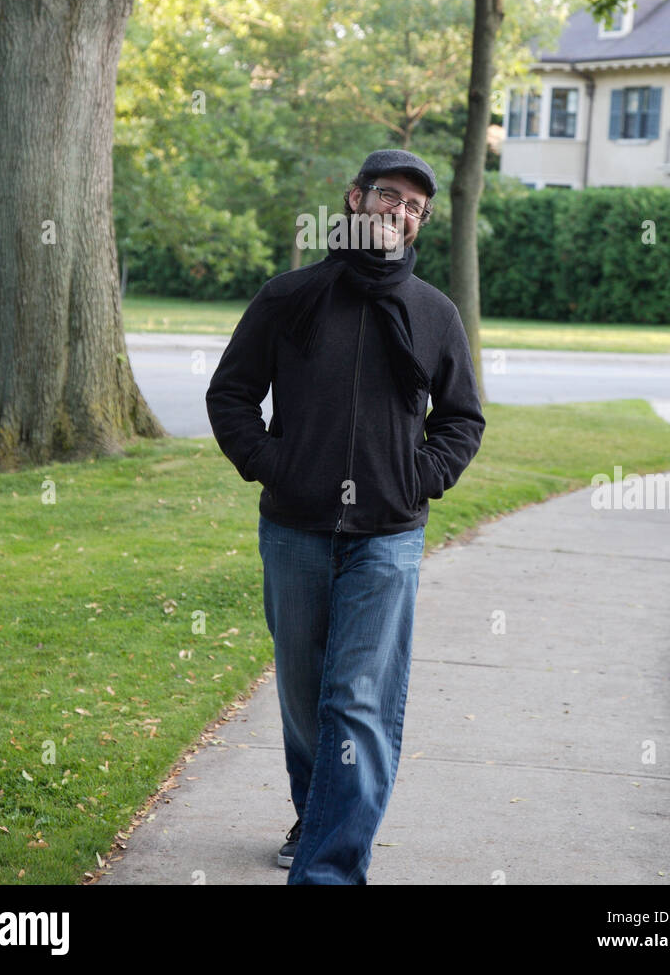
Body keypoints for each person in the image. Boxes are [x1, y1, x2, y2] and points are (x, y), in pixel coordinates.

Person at [205, 148, 485, 884]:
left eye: (414, 208)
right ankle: (317, 813)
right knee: (305, 696)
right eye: (388, 197)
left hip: (387, 539)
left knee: (356, 700)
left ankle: (329, 867)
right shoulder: (289, 297)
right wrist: (277, 466)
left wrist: (415, 479)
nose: (399, 213)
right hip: (294, 529)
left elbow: (462, 420)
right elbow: (230, 396)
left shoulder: (433, 313)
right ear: (355, 200)